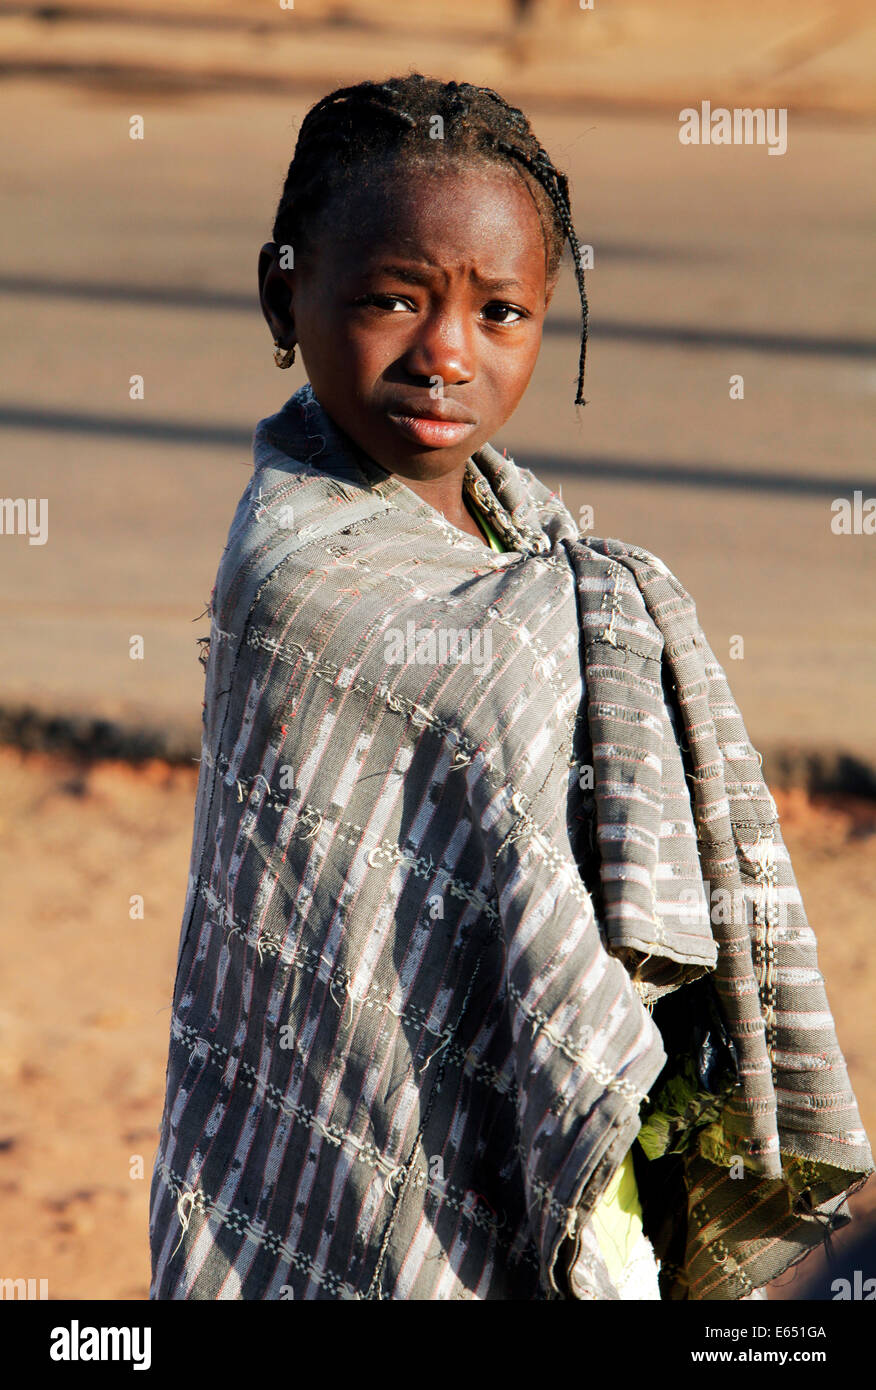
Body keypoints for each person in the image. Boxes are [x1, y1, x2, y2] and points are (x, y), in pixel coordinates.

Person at [148, 74, 872, 1301]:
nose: (446, 352)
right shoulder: (302, 579)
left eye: (502, 313)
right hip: (351, 1156)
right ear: (286, 293)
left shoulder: (525, 542)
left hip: (564, 1129)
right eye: (393, 299)